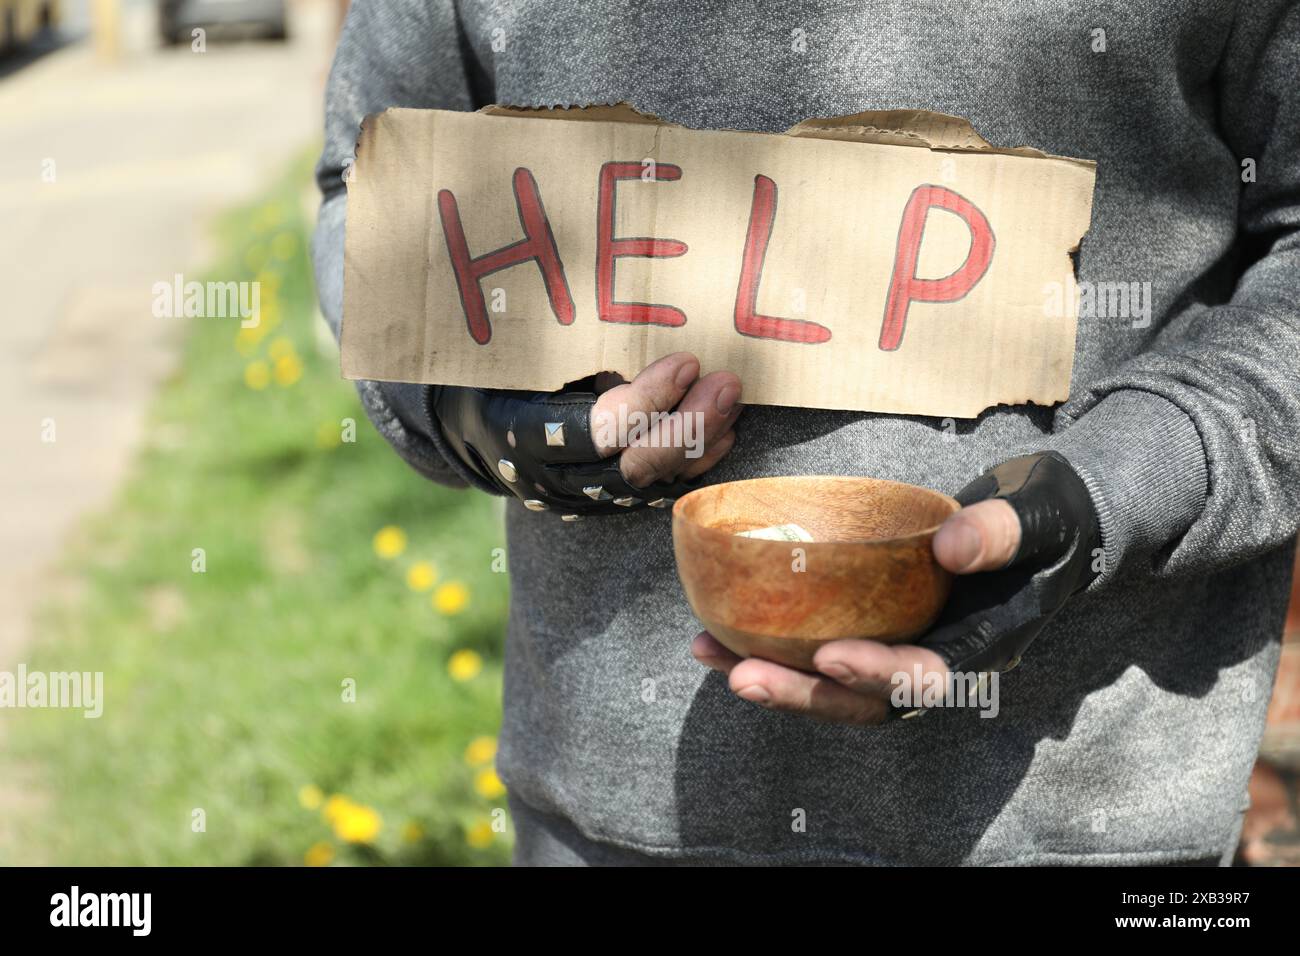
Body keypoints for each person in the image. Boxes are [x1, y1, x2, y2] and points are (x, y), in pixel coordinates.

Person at [313, 0, 1300, 865]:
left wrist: (1127, 482)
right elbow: (372, 180)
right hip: (608, 811)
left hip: (1086, 817)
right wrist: (465, 409)